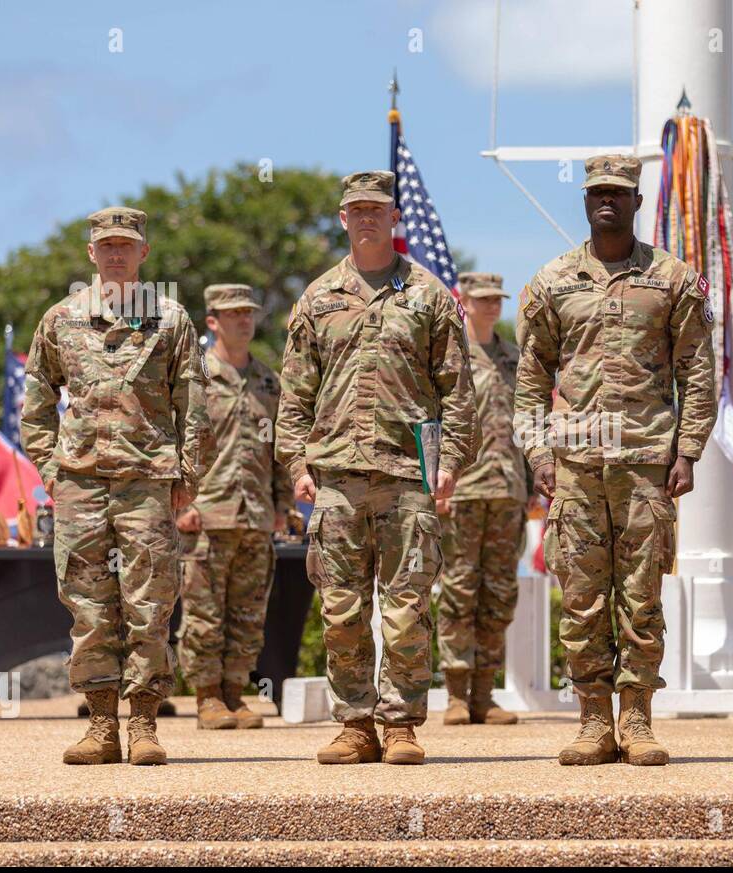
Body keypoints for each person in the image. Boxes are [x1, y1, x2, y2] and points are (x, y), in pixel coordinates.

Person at [515, 154, 716, 766]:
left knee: (641, 593)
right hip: (575, 466)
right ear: (584, 201)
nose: (608, 201)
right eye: (597, 192)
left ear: (636, 202)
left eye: (619, 193)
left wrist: (689, 449)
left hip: (645, 461)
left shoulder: (673, 279)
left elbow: (699, 371)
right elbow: (530, 377)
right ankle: (593, 719)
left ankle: (637, 717)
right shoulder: (552, 281)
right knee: (581, 595)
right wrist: (536, 449)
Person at [277, 170, 478, 766]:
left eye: (377, 209)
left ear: (395, 218)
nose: (366, 218)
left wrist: (449, 463)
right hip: (336, 477)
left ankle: (401, 726)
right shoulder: (318, 298)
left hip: (407, 477)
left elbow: (457, 391)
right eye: (356, 210)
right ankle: (355, 723)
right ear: (343, 219)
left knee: (407, 607)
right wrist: (297, 465)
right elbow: (295, 396)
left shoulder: (429, 295)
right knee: (339, 609)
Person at [21, 206, 211, 766]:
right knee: (87, 603)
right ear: (91, 254)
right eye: (106, 245)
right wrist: (51, 470)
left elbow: (193, 405)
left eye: (126, 245)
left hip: (148, 481)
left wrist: (188, 477)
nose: (116, 254)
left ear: (144, 253)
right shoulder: (61, 320)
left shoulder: (171, 320)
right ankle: (102, 723)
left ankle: (145, 723)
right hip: (79, 482)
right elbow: (36, 404)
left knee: (150, 602)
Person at [175, 283, 294, 731]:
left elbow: (280, 449)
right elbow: (179, 443)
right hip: (208, 515)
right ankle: (207, 697)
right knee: (205, 614)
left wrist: (283, 504)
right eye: (233, 314)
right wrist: (183, 500)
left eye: (249, 313)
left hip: (256, 515)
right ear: (212, 322)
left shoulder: (268, 380)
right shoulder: (196, 378)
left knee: (248, 613)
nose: (243, 320)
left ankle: (235, 692)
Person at [437, 272, 527, 726]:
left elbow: (530, 427)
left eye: (497, 300)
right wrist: (435, 483)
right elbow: (433, 425)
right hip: (463, 491)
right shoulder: (451, 361)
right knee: (458, 590)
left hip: (508, 490)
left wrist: (533, 486)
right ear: (464, 301)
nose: (492, 307)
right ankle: (455, 691)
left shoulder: (514, 359)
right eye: (483, 300)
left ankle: (483, 694)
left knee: (499, 592)